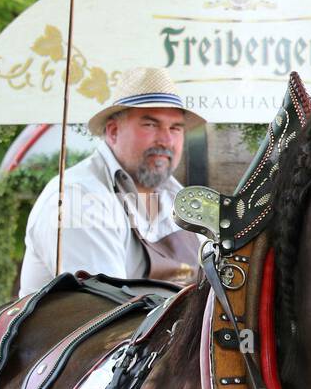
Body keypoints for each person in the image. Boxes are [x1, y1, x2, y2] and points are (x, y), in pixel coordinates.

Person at [18, 67, 208, 296]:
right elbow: (105, 315)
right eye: (150, 125)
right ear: (113, 131)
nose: (166, 140)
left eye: (175, 128)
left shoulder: (177, 199)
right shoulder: (78, 198)